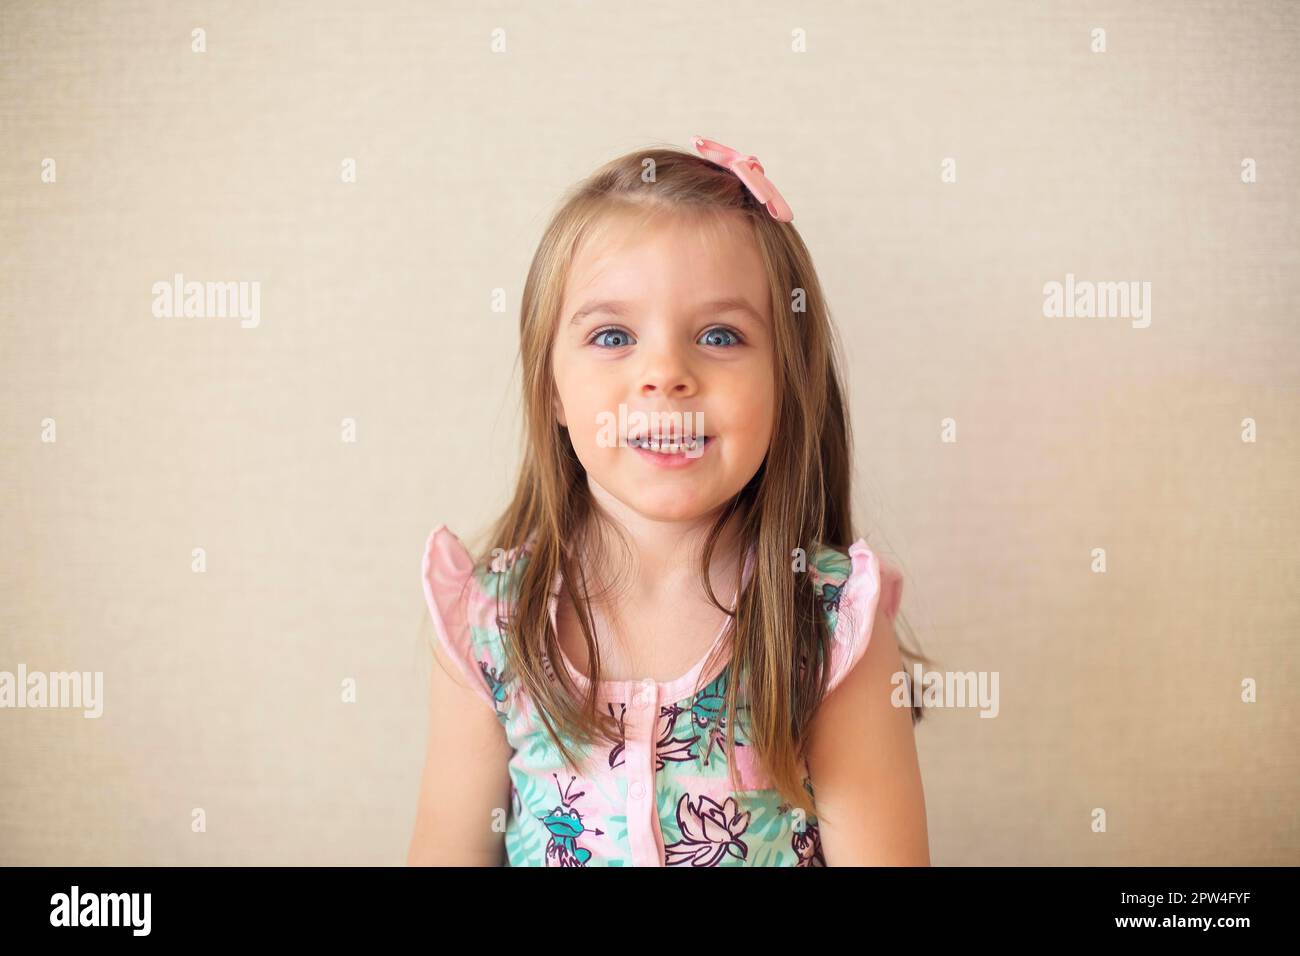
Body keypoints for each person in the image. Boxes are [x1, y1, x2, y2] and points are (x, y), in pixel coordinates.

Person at [407, 136, 929, 867]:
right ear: (552, 387)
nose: (664, 374)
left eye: (720, 335)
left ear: (787, 381)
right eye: (613, 335)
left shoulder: (833, 625)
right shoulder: (492, 626)